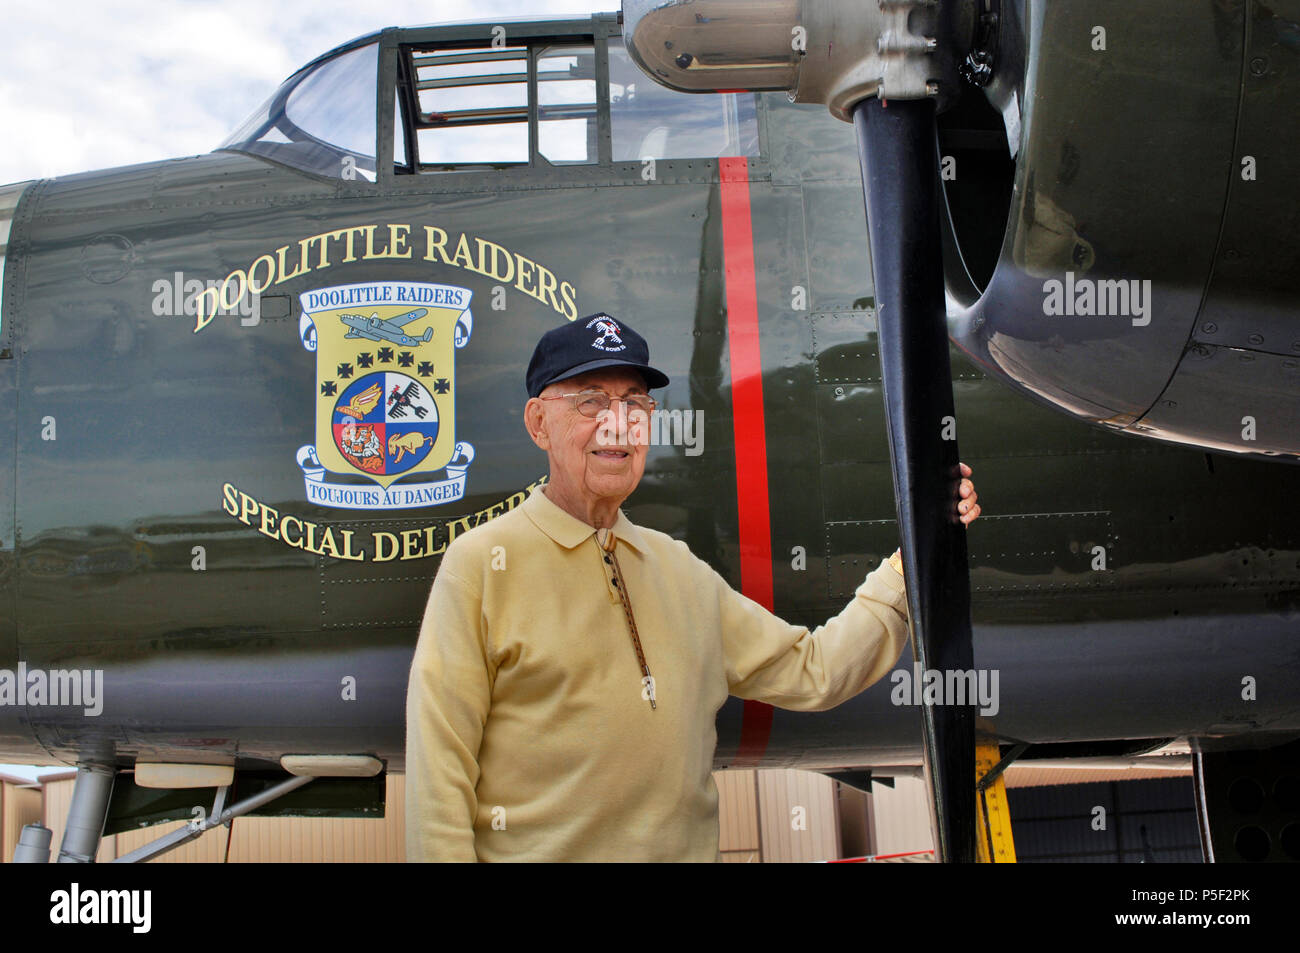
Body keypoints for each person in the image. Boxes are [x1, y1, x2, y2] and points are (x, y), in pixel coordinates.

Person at [405, 313, 980, 862]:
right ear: (538, 423)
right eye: (590, 402)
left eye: (635, 404)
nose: (617, 424)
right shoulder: (481, 566)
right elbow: (440, 774)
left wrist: (913, 560)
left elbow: (815, 670)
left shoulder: (679, 570)